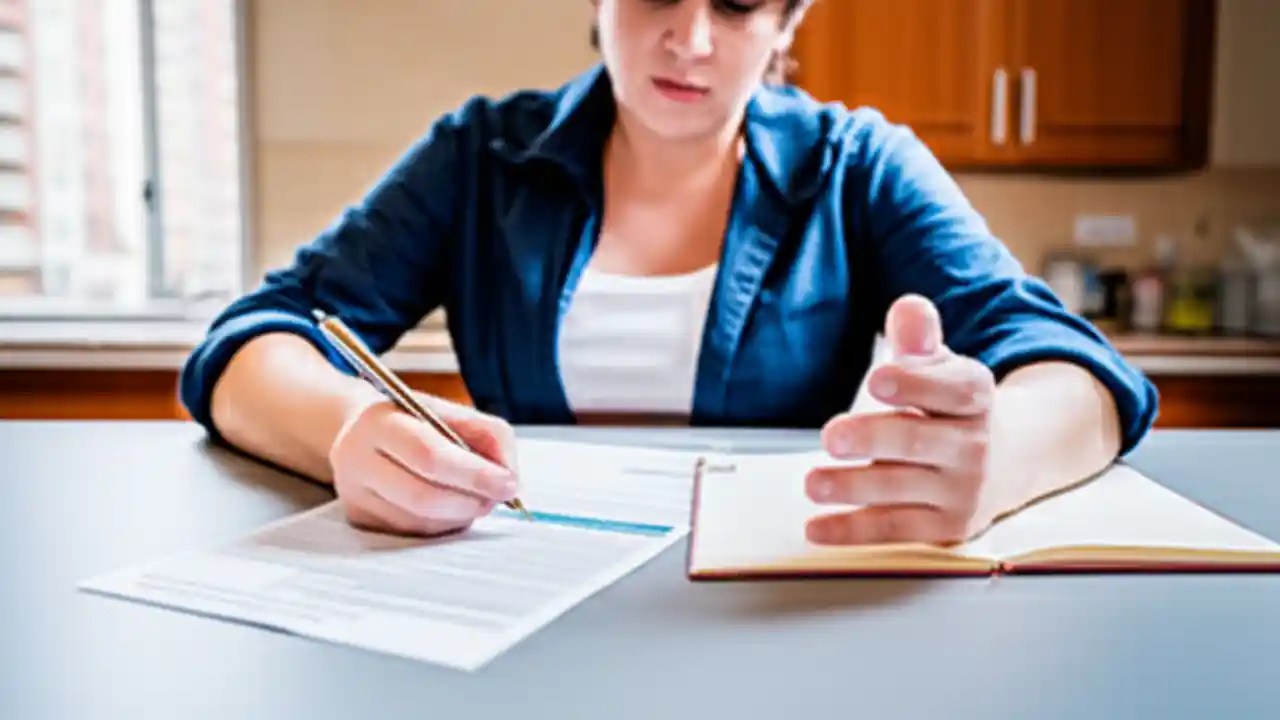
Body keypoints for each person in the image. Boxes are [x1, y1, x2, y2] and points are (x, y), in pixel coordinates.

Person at [180, 0, 1158, 546]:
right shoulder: (477, 158)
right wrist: (350, 429)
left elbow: (1069, 364)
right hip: (508, 602)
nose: (689, 38)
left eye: (736, 4)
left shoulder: (854, 164)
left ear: (786, 20)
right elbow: (255, 342)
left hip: (759, 608)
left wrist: (993, 465)